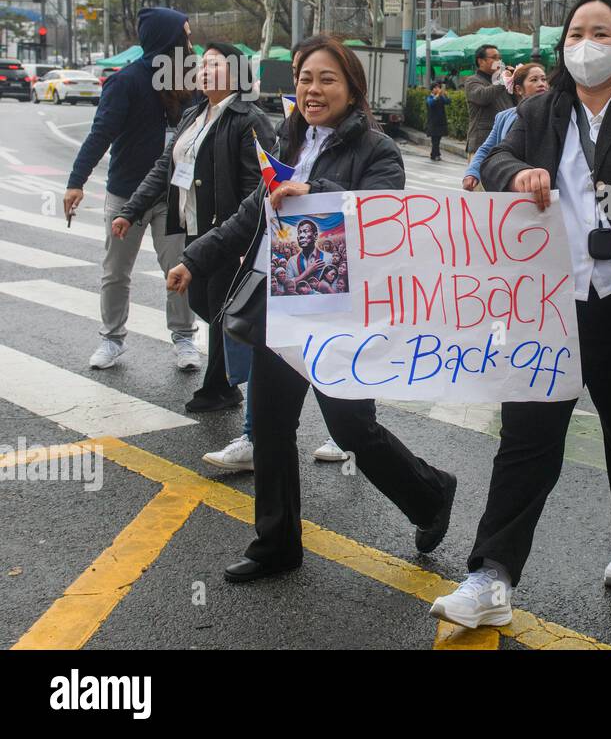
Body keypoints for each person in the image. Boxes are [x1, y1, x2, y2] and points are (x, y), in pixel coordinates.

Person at [431, 0, 611, 629]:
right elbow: (495, 159)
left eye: (600, 32)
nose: (586, 44)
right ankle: (490, 575)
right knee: (526, 437)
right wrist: (518, 174)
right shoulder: (540, 109)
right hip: (548, 302)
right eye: (576, 33)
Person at [166, 34, 457, 582]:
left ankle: (430, 492)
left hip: (342, 316)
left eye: (327, 79)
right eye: (304, 78)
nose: (313, 88)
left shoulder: (377, 150)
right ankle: (276, 545)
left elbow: (381, 220)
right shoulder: (288, 138)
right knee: (272, 427)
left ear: (352, 89)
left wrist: (312, 190)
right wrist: (196, 260)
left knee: (351, 429)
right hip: (285, 307)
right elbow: (252, 212)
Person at [112, 42, 273, 414]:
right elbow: (163, 168)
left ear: (235, 74)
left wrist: (244, 235)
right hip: (194, 228)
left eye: (212, 65)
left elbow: (257, 186)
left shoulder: (249, 119)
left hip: (228, 234)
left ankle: (220, 388)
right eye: (201, 65)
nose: (202, 71)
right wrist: (131, 210)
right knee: (202, 300)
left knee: (217, 305)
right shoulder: (194, 115)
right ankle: (229, 375)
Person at [64, 7, 200, 372]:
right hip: (126, 194)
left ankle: (185, 338)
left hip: (174, 196)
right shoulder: (125, 82)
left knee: (178, 266)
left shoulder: (190, 82)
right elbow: (101, 135)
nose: (190, 43)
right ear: (167, 40)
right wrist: (76, 182)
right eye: (184, 36)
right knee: (115, 271)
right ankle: (111, 339)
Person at [461, 62, 548, 192]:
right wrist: (472, 172)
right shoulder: (504, 117)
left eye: (544, 79)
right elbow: (487, 149)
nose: (541, 83)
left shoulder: (557, 114)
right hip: (511, 186)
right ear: (519, 89)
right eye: (534, 80)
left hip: (545, 185)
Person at [463, 43, 512, 157]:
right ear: (481, 61)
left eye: (499, 58)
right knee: (478, 175)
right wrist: (505, 80)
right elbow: (482, 96)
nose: (498, 61)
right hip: (481, 144)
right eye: (494, 58)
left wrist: (516, 80)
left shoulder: (502, 81)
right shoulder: (472, 81)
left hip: (504, 142)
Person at [426, 81, 449, 161]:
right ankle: (436, 155)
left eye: (438, 87)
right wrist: (438, 95)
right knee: (434, 140)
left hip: (440, 122)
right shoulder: (430, 97)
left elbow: (448, 102)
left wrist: (445, 94)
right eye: (436, 88)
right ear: (432, 90)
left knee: (438, 139)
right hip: (433, 122)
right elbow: (431, 104)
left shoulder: (441, 97)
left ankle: (434, 154)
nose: (438, 89)